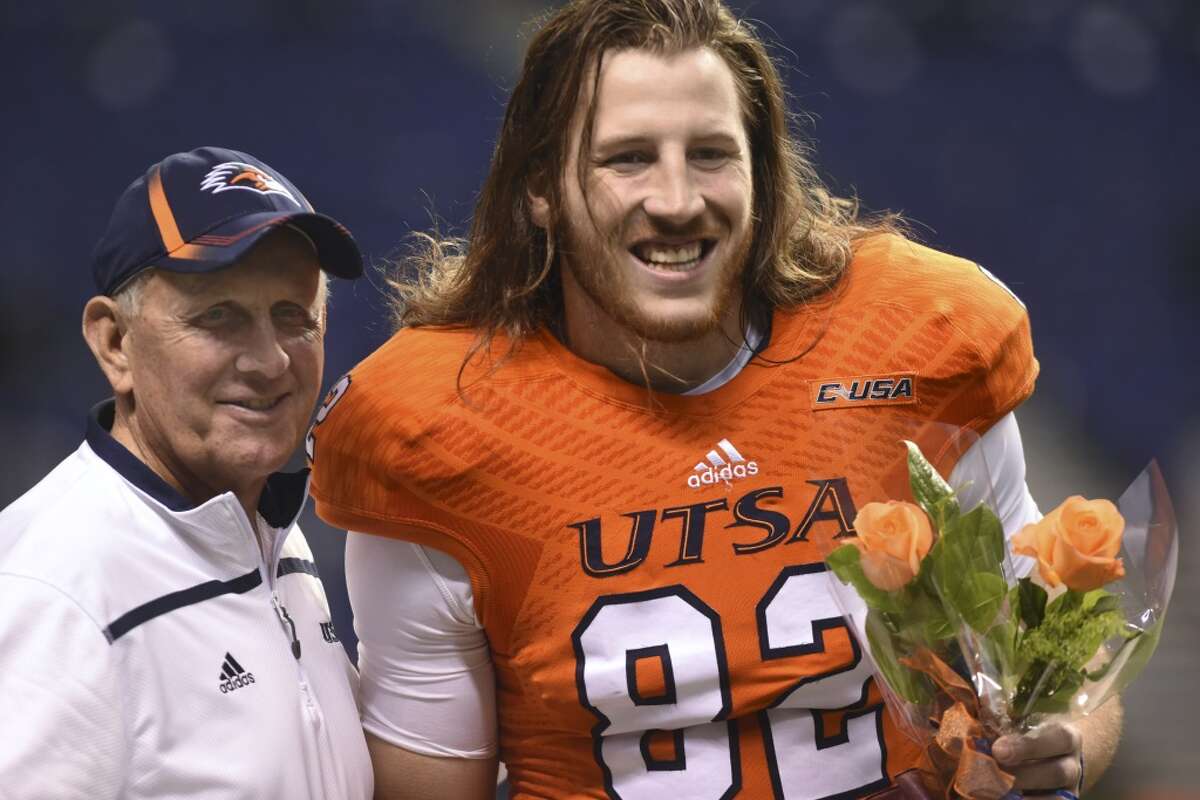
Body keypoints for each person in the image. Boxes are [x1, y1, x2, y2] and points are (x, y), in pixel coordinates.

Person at [308, 2, 1121, 797]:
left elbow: (1059, 661)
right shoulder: (439, 430)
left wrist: (1068, 744)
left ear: (762, 177)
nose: (676, 200)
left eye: (710, 154)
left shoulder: (913, 342)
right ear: (540, 189)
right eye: (626, 158)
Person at [0, 146, 373, 799]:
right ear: (115, 343)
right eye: (218, 316)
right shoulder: (52, 595)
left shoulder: (267, 532)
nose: (269, 362)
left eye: (294, 316)